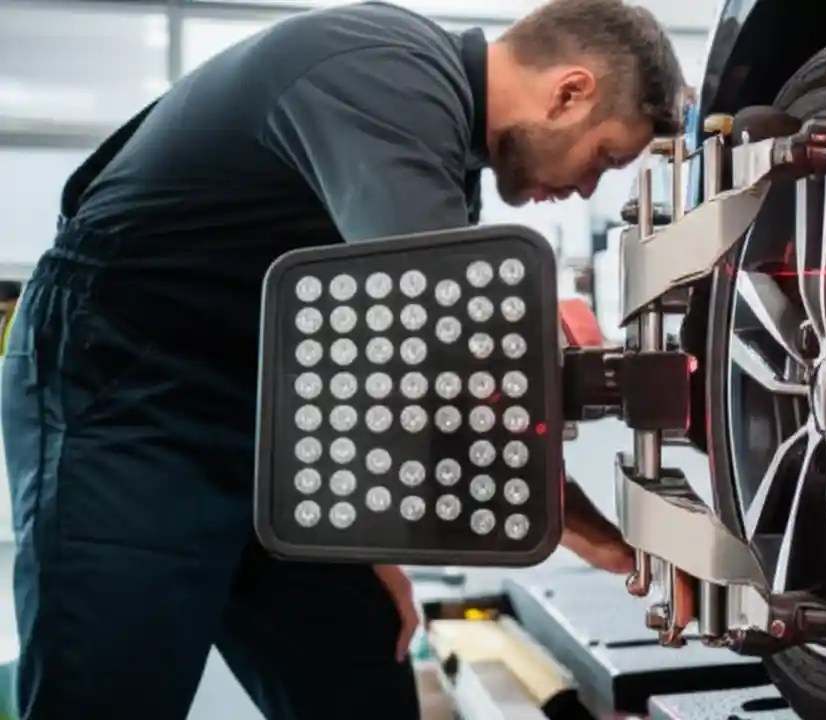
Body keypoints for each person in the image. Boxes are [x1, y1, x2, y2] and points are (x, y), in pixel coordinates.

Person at [0, 0, 686, 717]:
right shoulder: (387, 75)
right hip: (122, 396)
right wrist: (601, 538)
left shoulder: (441, 160)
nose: (585, 188)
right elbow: (444, 350)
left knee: (360, 673)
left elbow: (363, 364)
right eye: (604, 158)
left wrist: (365, 536)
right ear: (569, 91)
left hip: (264, 422)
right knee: (108, 695)